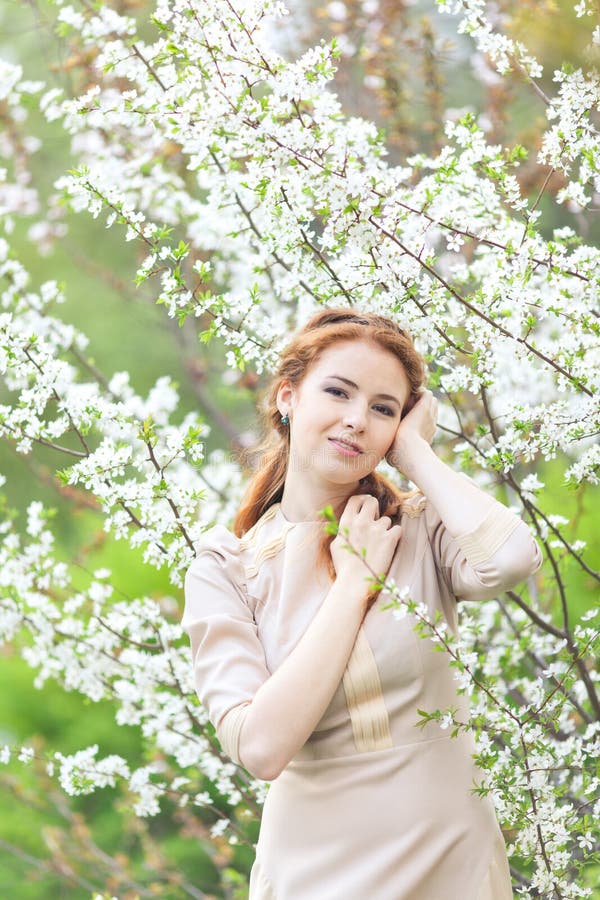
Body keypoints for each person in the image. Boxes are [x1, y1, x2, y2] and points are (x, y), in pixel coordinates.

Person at [182, 307, 543, 899]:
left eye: (382, 408)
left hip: (451, 863)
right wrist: (354, 584)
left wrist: (415, 456)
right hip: (314, 876)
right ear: (288, 397)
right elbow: (261, 748)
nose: (356, 420)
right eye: (338, 392)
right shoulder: (229, 569)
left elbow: (512, 559)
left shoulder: (419, 530)